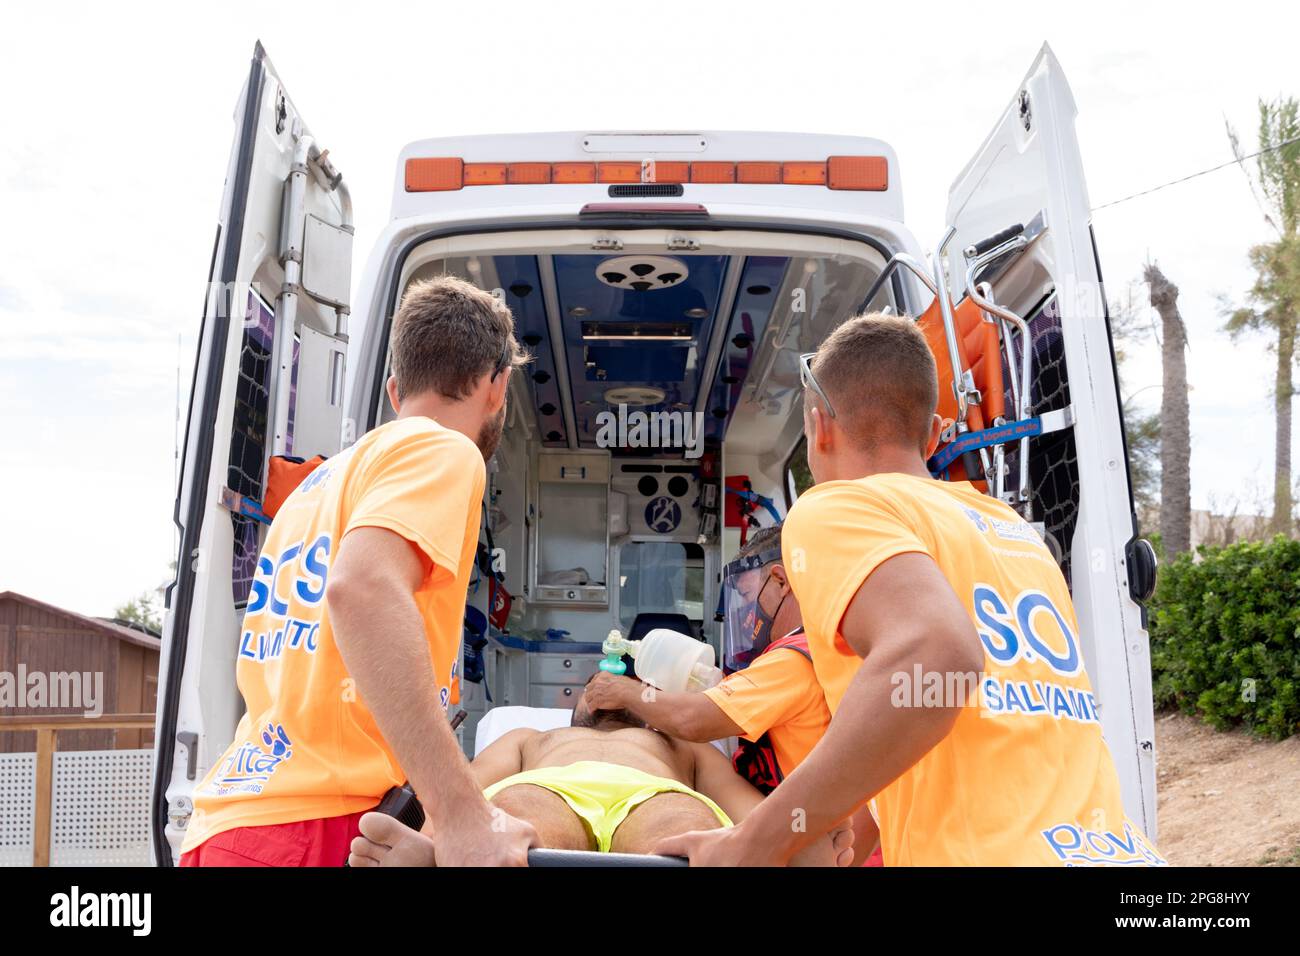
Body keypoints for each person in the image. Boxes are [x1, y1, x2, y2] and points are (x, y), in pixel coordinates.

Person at [658, 312, 1165, 867]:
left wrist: (747, 845)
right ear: (930, 433)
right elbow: (973, 725)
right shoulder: (1014, 532)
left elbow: (938, 657)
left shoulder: (840, 507)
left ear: (819, 427)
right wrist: (821, 829)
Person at [181, 276, 537, 867]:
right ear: (497, 386)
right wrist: (463, 817)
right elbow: (363, 589)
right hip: (322, 828)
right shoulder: (446, 449)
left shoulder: (320, 488)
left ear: (395, 389)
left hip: (233, 823)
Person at [348, 680, 853, 865]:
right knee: (510, 822)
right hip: (547, 786)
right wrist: (437, 835)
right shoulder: (530, 737)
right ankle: (431, 860)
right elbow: (466, 792)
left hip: (656, 792)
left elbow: (743, 806)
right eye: (589, 691)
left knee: (684, 834)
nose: (601, 694)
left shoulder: (682, 746)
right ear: (573, 713)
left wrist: (782, 836)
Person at [582, 525, 830, 795]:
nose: (747, 614)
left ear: (781, 581)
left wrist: (626, 692)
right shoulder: (818, 645)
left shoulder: (792, 661)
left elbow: (692, 720)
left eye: (747, 597)